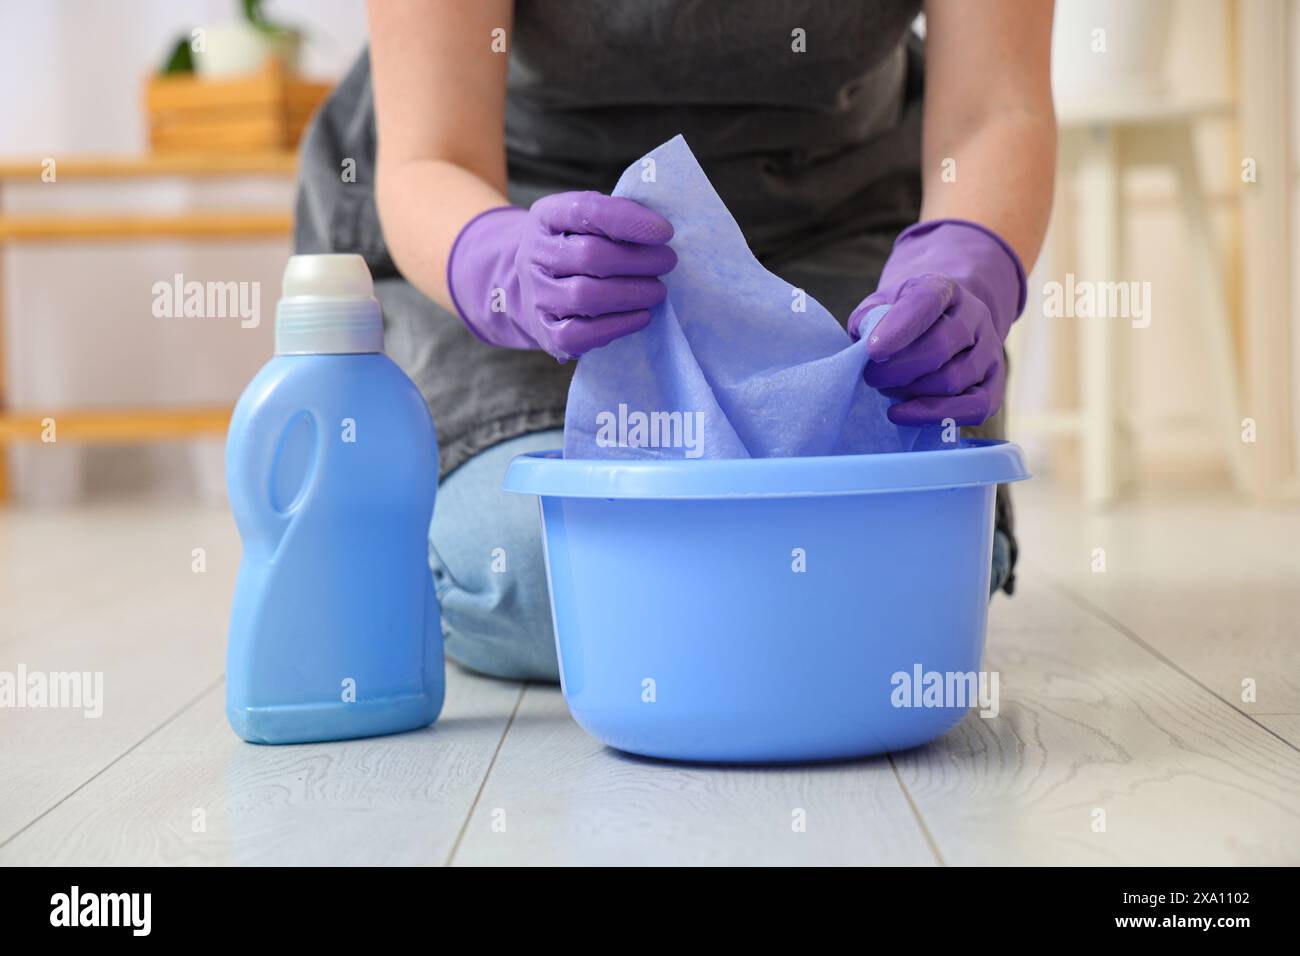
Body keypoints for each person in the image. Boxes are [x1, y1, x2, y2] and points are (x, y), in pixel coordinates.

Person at [295, 0, 1056, 681]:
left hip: (836, 213)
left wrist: (969, 265)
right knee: (528, 578)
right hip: (514, 211)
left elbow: (997, 107)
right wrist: (508, 267)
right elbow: (436, 155)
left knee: (923, 563)